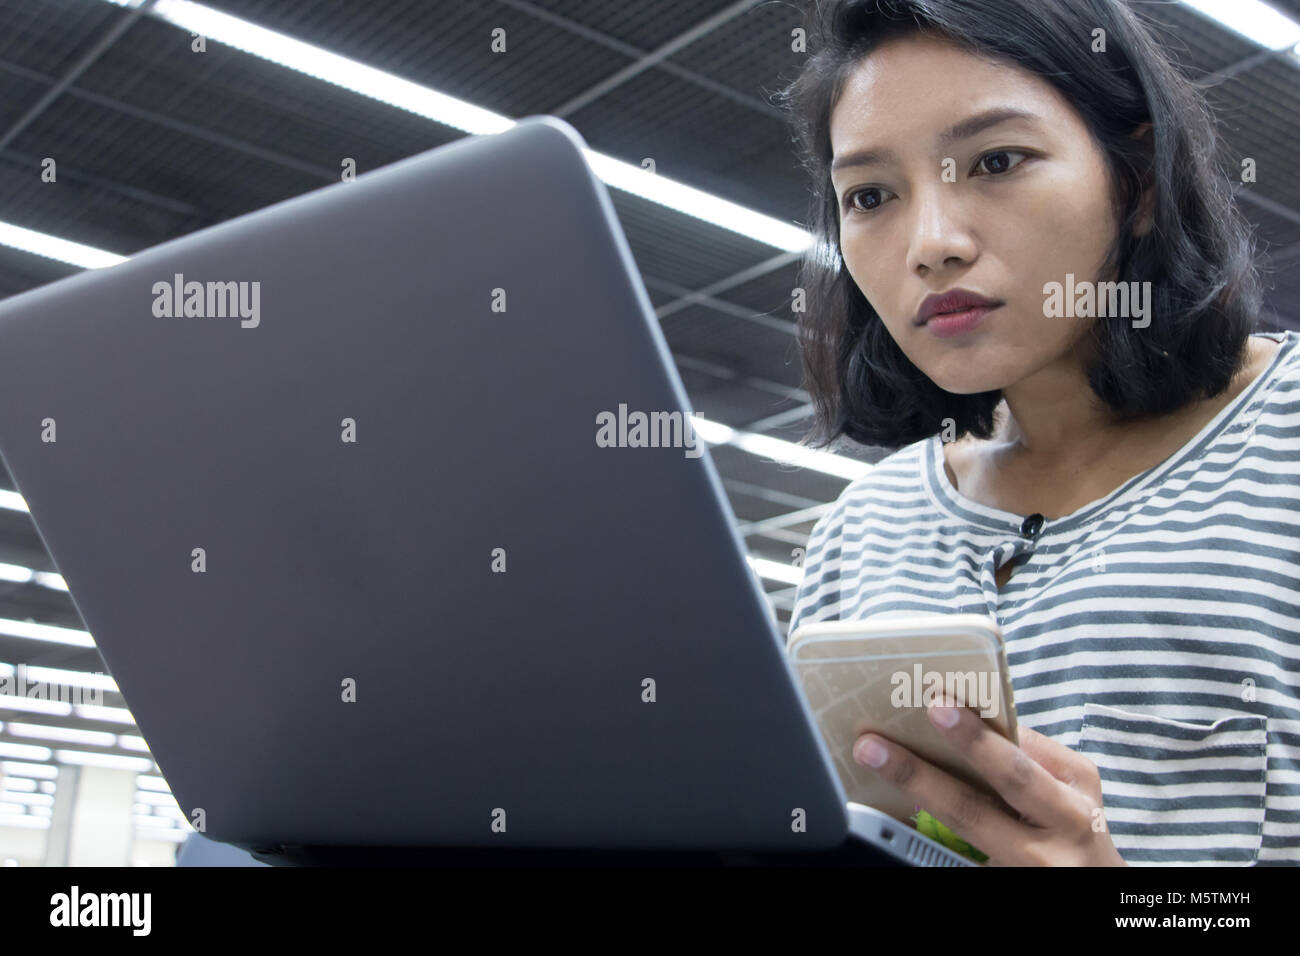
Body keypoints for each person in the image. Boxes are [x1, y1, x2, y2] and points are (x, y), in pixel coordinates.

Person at [779, 0, 1298, 865]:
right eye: (870, 195)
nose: (932, 244)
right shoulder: (861, 532)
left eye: (997, 161)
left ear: (1137, 181)